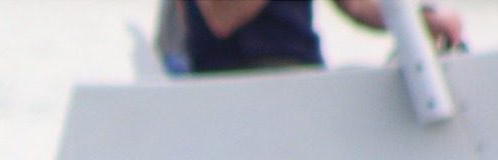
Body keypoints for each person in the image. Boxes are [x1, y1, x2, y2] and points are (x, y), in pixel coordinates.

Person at [181, 0, 463, 73]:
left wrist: (420, 21)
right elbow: (222, 18)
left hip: (303, 74)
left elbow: (358, 5)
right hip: (233, 82)